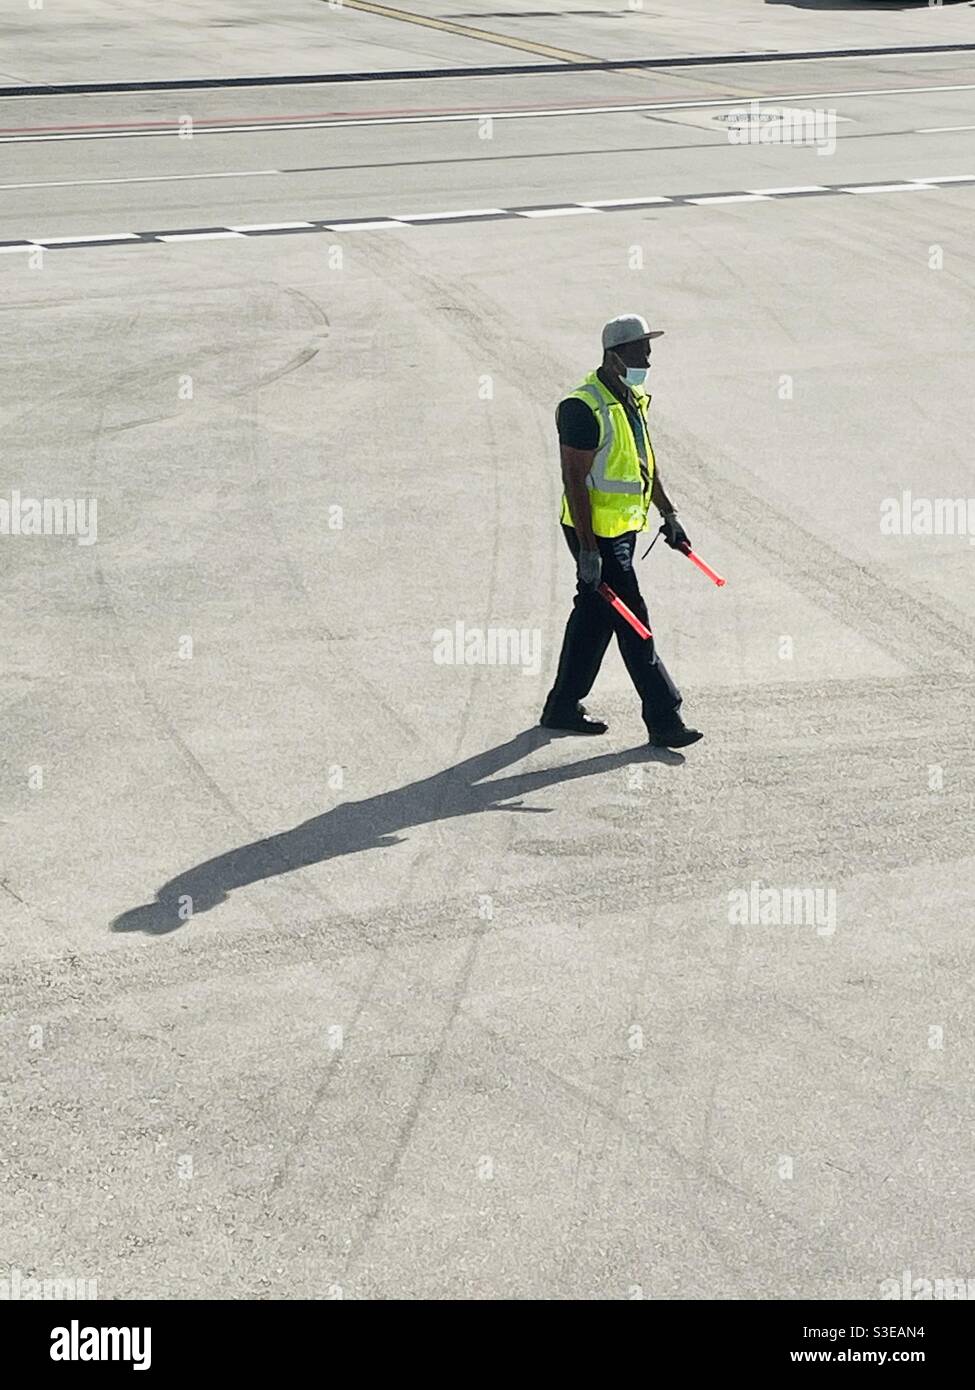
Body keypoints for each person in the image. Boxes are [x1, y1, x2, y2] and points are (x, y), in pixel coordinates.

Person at [540, 314, 703, 749]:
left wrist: (668, 514)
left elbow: (644, 464)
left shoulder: (630, 398)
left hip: (622, 530)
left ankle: (561, 707)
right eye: (639, 352)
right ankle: (665, 719)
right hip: (594, 534)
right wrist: (589, 553)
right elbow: (573, 480)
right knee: (635, 622)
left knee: (595, 618)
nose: (646, 360)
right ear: (614, 356)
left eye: (648, 351)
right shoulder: (582, 407)